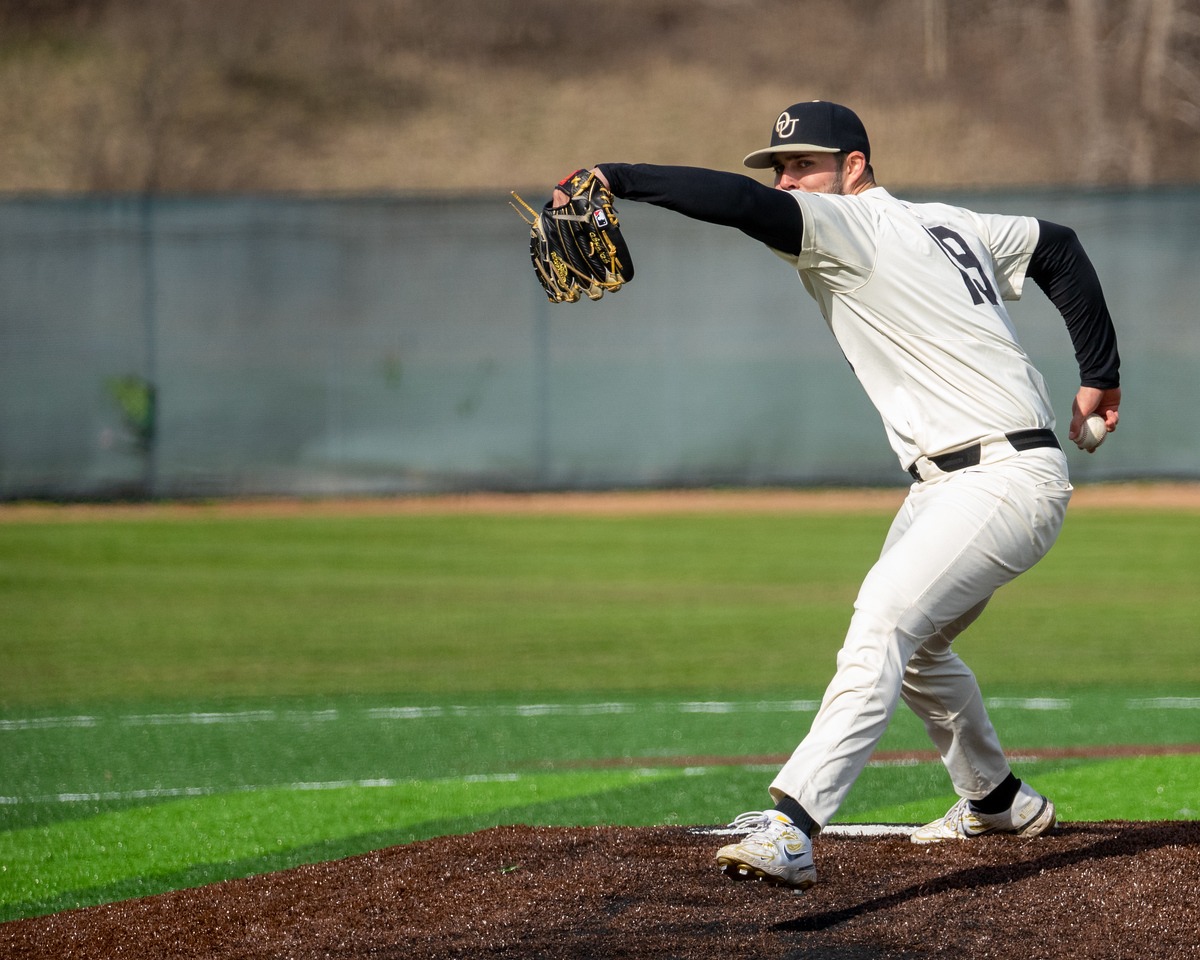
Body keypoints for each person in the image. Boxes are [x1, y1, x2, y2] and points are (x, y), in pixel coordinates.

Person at [551, 100, 1121, 891]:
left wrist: (618, 177)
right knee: (919, 648)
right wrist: (1101, 373)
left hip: (1000, 480)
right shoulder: (950, 223)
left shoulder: (853, 227)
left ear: (855, 165)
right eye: (782, 167)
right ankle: (995, 799)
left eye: (804, 165)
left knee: (883, 620)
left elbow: (745, 206)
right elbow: (1058, 247)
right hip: (956, 482)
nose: (789, 181)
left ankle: (792, 825)